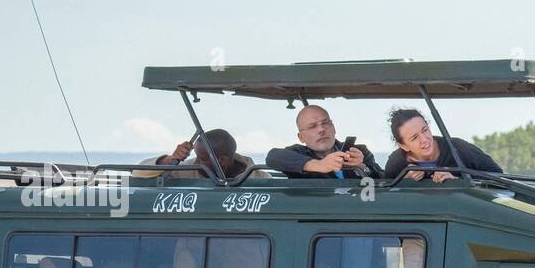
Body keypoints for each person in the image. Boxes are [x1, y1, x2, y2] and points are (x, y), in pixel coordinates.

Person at [384, 108, 502, 182]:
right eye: (415, 138)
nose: (424, 139)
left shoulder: (458, 147)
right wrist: (405, 182)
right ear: (403, 146)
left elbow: (498, 176)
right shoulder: (396, 163)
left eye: (425, 130)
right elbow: (386, 195)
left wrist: (457, 180)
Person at [266, 105, 382, 179]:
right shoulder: (298, 154)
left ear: (334, 128)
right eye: (312, 127)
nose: (321, 130)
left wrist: (362, 167)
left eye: (325, 123)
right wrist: (318, 165)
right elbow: (273, 157)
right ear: (301, 137)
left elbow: (383, 182)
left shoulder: (357, 151)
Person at [134, 129, 266, 180]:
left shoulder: (259, 179)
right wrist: (171, 159)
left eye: (202, 158)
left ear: (222, 161)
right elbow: (138, 173)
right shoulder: (193, 168)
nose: (196, 162)